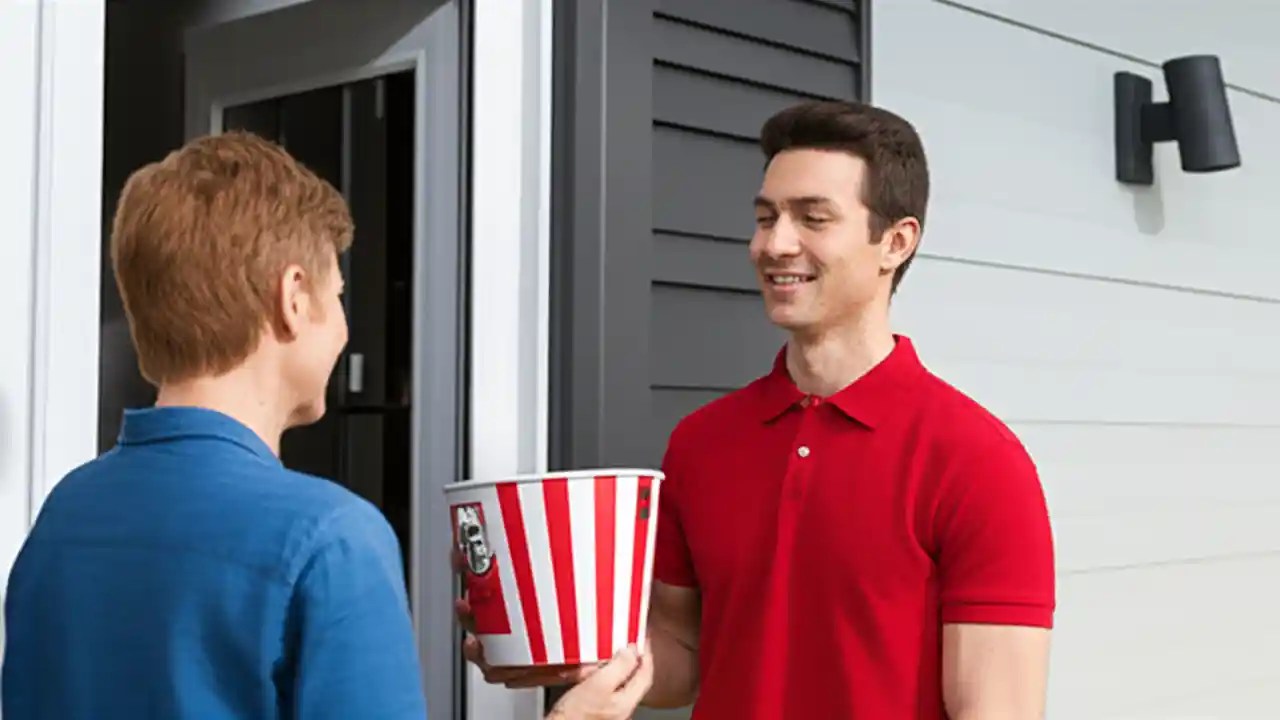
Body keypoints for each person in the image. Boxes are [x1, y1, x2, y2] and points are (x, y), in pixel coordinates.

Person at [461, 100, 1056, 718]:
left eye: (812, 218)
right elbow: (683, 655)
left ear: (896, 242)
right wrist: (567, 651)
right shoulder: (701, 444)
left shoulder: (977, 460)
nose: (774, 244)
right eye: (766, 216)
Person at [1, 131, 428, 719]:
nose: (345, 330)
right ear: (294, 298)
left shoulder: (64, 517)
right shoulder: (333, 540)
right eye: (340, 294)